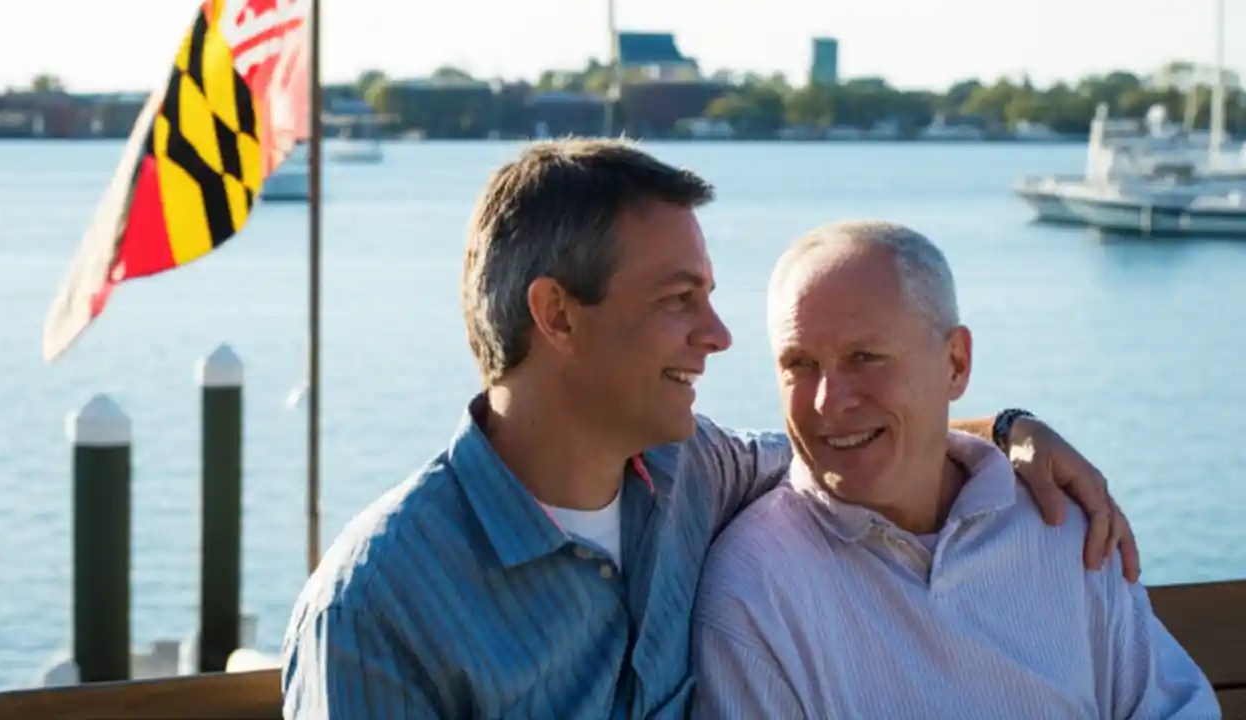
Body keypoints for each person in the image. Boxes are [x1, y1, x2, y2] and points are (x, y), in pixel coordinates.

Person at [281, 139, 1139, 719]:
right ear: (557, 315)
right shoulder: (376, 604)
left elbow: (853, 443)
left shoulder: (691, 473)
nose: (720, 336)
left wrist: (1013, 430)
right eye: (678, 300)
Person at [691, 220, 1216, 719]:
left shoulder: (1063, 525)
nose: (829, 402)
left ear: (956, 364)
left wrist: (1010, 426)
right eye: (799, 365)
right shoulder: (753, 589)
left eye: (864, 357)